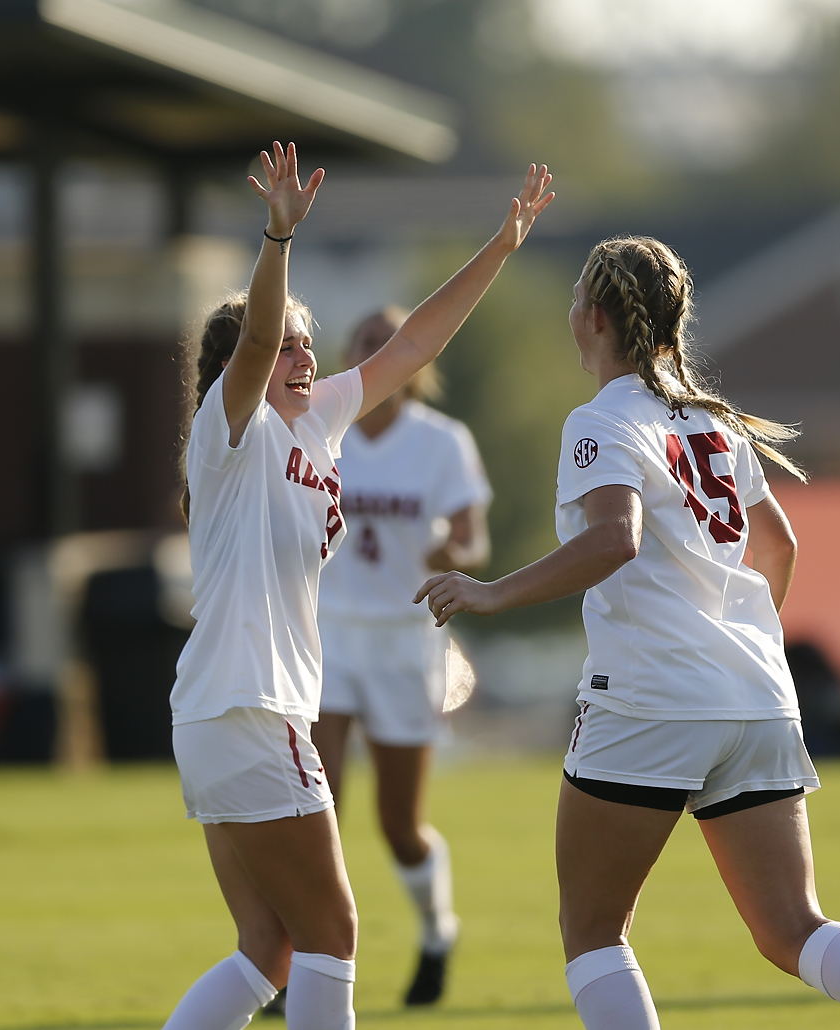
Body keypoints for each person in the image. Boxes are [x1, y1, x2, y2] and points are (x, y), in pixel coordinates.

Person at [415, 236, 840, 1030]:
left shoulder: (599, 421)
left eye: (579, 295)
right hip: (755, 693)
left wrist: (490, 594)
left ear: (595, 317)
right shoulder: (711, 421)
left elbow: (613, 539)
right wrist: (737, 651)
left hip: (650, 700)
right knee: (794, 928)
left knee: (592, 932)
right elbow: (779, 543)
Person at [162, 142, 552, 1030]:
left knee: (267, 949)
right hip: (252, 707)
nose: (302, 355)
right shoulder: (234, 433)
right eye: (289, 346)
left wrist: (501, 246)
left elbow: (416, 341)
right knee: (333, 929)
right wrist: (276, 237)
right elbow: (255, 337)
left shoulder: (320, 421)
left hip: (224, 713)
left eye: (308, 342)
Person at [314, 307, 492, 1006]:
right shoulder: (323, 427)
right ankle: (296, 958)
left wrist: (454, 552)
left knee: (398, 826)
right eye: (364, 340)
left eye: (391, 340)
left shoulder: (442, 442)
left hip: (405, 638)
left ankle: (435, 930)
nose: (378, 351)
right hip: (328, 633)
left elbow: (474, 541)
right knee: (315, 807)